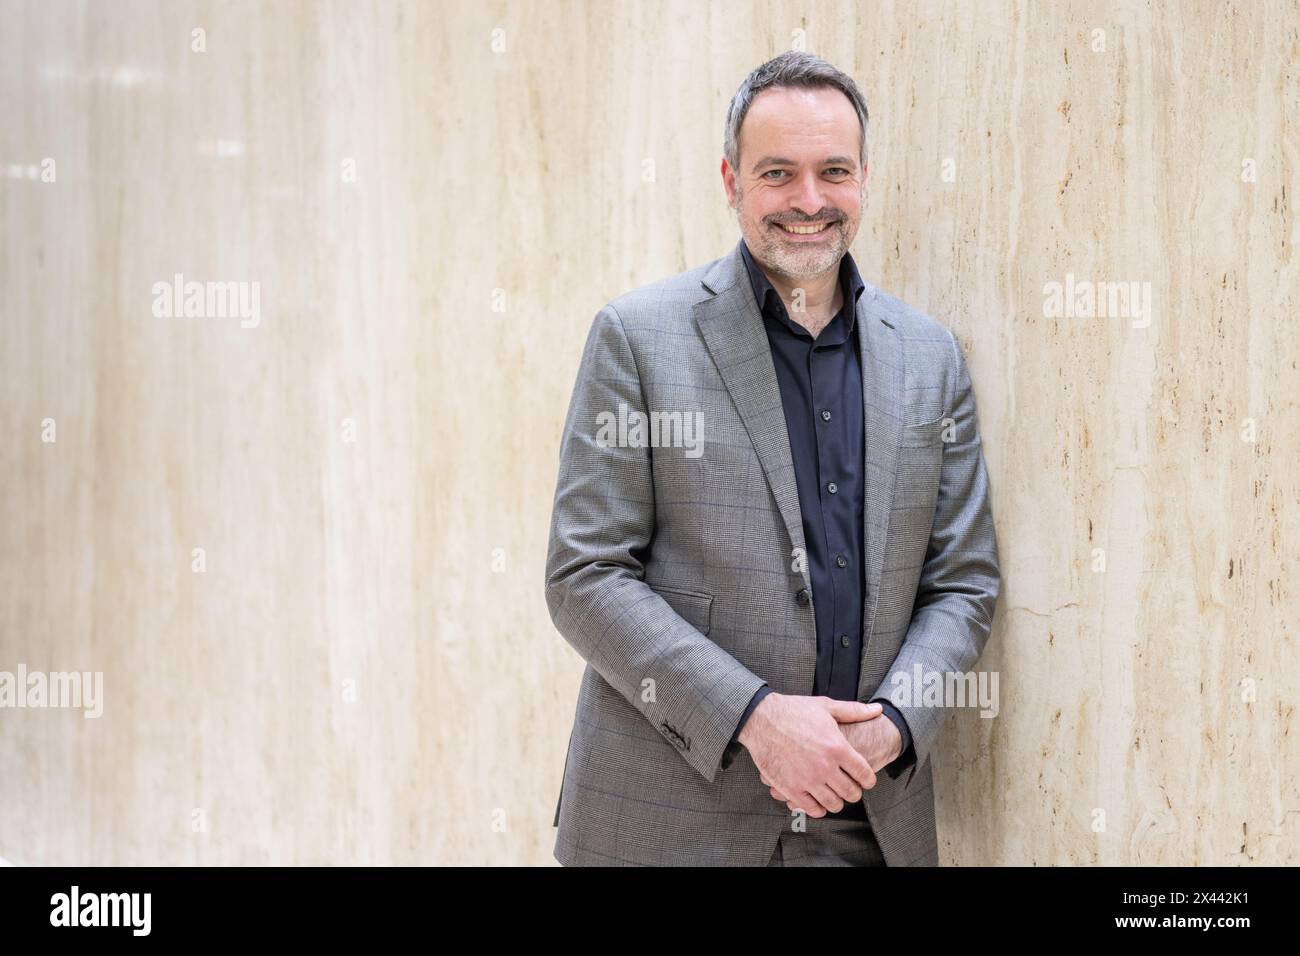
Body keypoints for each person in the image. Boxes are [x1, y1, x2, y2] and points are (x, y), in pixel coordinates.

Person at [544, 50, 1000, 866]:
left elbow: (963, 582)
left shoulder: (931, 359)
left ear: (863, 177)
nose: (809, 201)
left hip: (868, 823)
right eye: (778, 173)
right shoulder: (637, 340)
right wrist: (756, 717)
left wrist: (896, 722)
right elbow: (584, 576)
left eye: (833, 171)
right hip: (669, 826)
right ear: (731, 181)